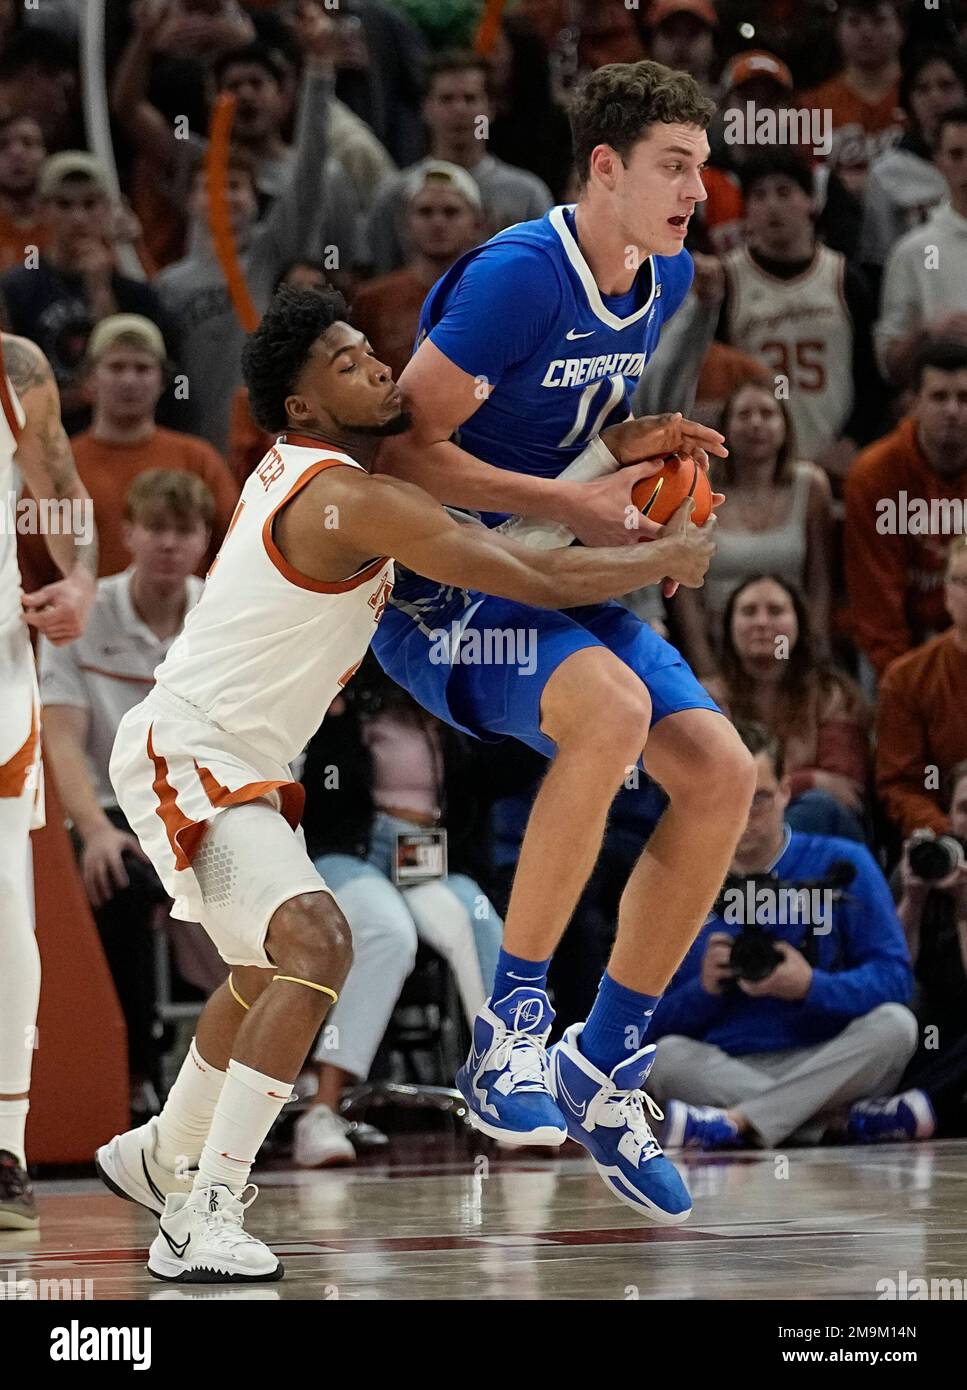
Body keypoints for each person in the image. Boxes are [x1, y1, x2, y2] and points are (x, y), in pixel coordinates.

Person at [94, 285, 718, 1282]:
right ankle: (201, 1212)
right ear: (299, 408)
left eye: (373, 353)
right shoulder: (347, 498)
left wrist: (610, 456)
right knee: (317, 941)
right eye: (346, 365)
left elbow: (512, 543)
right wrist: (664, 551)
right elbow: (536, 573)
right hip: (190, 750)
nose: (380, 367)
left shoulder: (347, 486)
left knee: (265, 973)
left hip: (235, 760)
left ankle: (161, 1151)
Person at [373, 59, 756, 1224]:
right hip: (443, 588)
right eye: (673, 166)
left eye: (702, 165)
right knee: (612, 712)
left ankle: (604, 1064)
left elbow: (562, 421)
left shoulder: (666, 271)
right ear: (605, 167)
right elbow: (396, 455)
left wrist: (635, 439)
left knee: (721, 773)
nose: (697, 189)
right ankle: (512, 1032)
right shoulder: (516, 277)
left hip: (547, 570)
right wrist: (573, 503)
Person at [647, 723, 919, 1152]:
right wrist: (702, 991)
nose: (743, 818)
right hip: (727, 1062)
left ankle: (737, 1122)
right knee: (664, 1057)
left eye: (758, 799)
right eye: (728, 798)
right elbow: (646, 1023)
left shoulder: (841, 862)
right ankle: (829, 1124)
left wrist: (812, 986)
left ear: (787, 792)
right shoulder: (680, 882)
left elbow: (897, 980)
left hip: (831, 1053)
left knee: (897, 1027)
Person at [38, 470, 211, 1119]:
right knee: (118, 883)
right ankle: (136, 1067)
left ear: (203, 541)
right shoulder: (85, 616)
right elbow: (61, 741)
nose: (168, 544)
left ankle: (260, 1075)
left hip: (201, 808)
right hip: (110, 810)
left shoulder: (220, 614)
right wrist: (96, 830)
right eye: (156, 529)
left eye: (183, 531)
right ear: (130, 535)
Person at [295, 662, 502, 1167]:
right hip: (351, 852)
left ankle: (506, 1092)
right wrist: (338, 709)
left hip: (428, 858)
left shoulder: (449, 714)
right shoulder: (342, 703)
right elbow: (321, 794)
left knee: (482, 922)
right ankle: (322, 1110)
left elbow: (488, 790)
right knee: (388, 932)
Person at [0, 330, 97, 1228]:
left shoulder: (16, 368)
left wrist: (79, 580)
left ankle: (5, 1149)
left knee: (3, 912)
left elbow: (61, 494)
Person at [18, 315, 238, 591]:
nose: (129, 380)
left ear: (161, 381)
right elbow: (27, 568)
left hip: (185, 626)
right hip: (83, 630)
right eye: (116, 367)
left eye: (143, 368)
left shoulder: (199, 460)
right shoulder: (54, 468)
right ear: (89, 380)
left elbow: (235, 553)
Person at [716, 150, 884, 479]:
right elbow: (714, 383)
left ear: (811, 201)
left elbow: (873, 378)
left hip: (834, 458)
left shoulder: (845, 278)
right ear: (747, 210)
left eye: (784, 192)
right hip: (756, 465)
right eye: (759, 196)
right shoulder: (727, 282)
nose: (772, 206)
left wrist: (853, 441)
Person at [0, 152, 172, 436]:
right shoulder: (15, 289)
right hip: (42, 442)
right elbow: (10, 390)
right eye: (64, 205)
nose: (78, 218)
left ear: (108, 209)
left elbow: (149, 383)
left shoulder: (137, 294)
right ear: (43, 209)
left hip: (120, 441)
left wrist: (100, 292)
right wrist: (78, 395)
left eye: (90, 204)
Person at [673, 382, 835, 675]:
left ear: (785, 425)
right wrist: (704, 667)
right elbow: (683, 589)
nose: (756, 423)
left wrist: (816, 655)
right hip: (718, 647)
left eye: (767, 414)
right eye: (744, 414)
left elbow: (820, 580)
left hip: (792, 649)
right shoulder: (697, 486)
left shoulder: (811, 485)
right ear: (724, 428)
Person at [709, 576, 871, 842]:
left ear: (800, 624)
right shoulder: (706, 698)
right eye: (749, 612)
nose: (761, 622)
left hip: (814, 832)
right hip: (730, 828)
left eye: (776, 611)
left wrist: (764, 792)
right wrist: (809, 779)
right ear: (729, 628)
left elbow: (846, 789)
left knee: (817, 806)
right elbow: (710, 786)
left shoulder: (831, 695)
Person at [365, 50, 553, 275]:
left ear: (490, 109)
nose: (459, 109)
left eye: (470, 99)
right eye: (446, 99)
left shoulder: (526, 195)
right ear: (426, 108)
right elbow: (381, 277)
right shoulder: (394, 194)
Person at [844, 338, 967, 679]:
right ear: (913, 403)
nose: (953, 411)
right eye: (940, 397)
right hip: (898, 646)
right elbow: (875, 602)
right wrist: (906, 685)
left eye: (964, 398)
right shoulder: (874, 475)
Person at [889, 760, 967, 1140]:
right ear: (950, 814)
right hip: (928, 1019)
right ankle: (917, 1106)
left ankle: (918, 1105)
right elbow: (895, 973)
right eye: (965, 809)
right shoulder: (925, 864)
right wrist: (914, 899)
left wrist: (964, 907)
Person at [352, 162, 484, 383]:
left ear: (477, 224)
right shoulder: (371, 301)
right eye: (425, 212)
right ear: (405, 223)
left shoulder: (496, 297)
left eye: (451, 212)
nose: (438, 222)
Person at [876, 536, 967, 839]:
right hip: (945, 838)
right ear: (945, 592)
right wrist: (948, 834)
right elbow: (902, 785)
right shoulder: (907, 678)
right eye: (961, 581)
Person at [875, 109, 967, 385]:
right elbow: (890, 365)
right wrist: (926, 334)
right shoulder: (914, 251)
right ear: (938, 161)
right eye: (956, 155)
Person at [860, 45, 967, 272]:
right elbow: (879, 260)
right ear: (909, 100)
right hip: (920, 281)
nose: (935, 97)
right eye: (922, 89)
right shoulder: (888, 171)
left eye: (946, 85)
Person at [800, 0, 905, 171]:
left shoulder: (924, 93)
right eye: (854, 21)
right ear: (837, 31)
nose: (866, 32)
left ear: (901, 29)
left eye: (879, 20)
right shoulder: (814, 104)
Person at [0, 114, 47, 275]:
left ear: (46, 154)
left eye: (28, 143)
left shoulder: (69, 223)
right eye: (2, 145)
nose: (16, 153)